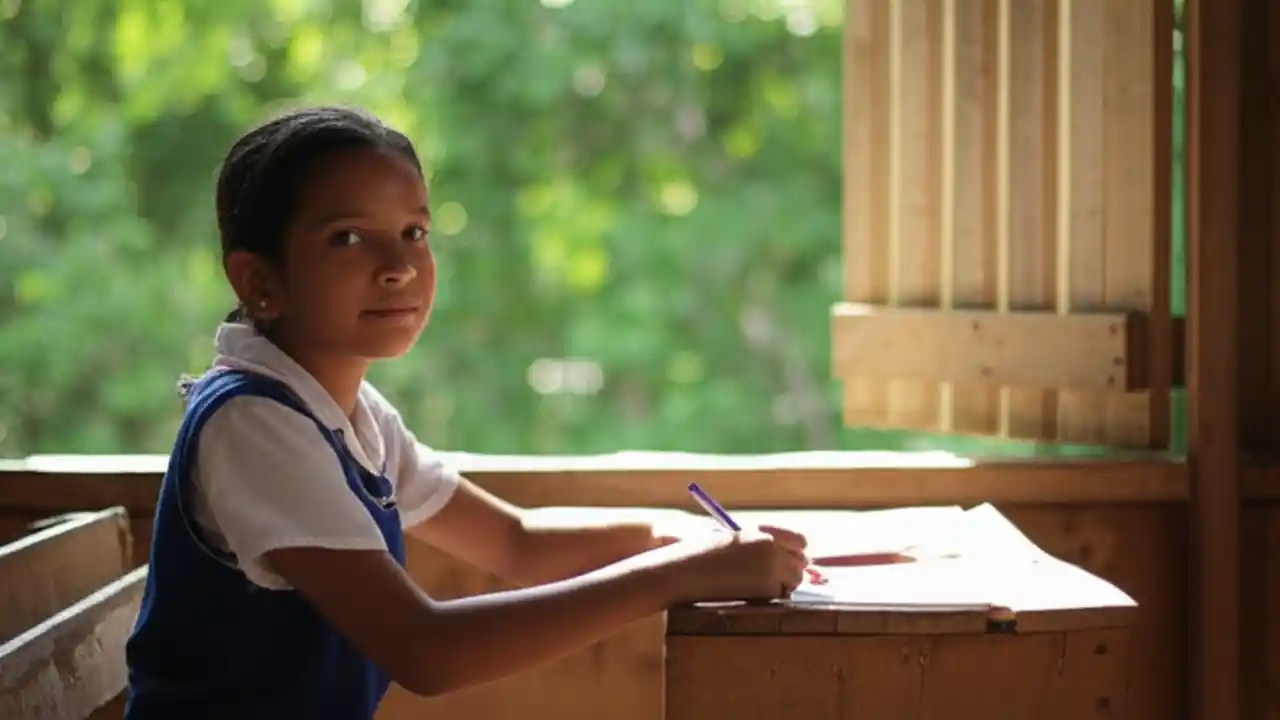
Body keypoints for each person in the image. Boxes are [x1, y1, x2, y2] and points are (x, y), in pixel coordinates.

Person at [124, 105, 807, 719]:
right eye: (349, 239)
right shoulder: (254, 425)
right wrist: (682, 575)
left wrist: (695, 540)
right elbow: (427, 653)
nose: (400, 265)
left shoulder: (346, 414)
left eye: (415, 231)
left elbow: (518, 542)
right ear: (259, 281)